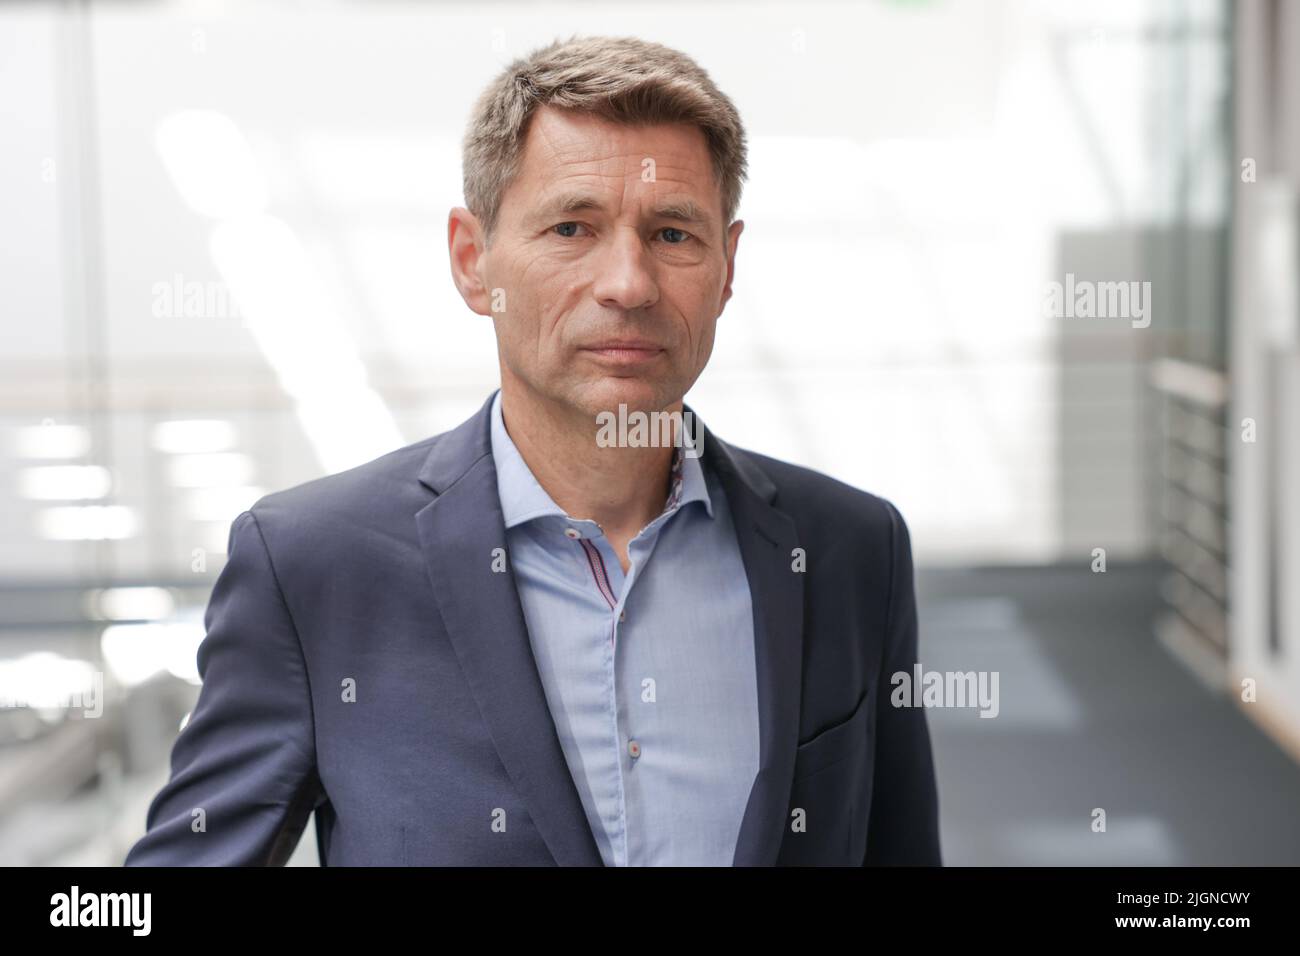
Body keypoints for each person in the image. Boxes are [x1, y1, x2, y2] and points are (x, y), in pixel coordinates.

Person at [124, 34, 940, 867]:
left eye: (672, 235)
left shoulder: (848, 550)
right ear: (473, 263)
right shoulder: (313, 564)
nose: (628, 283)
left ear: (726, 266)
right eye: (571, 227)